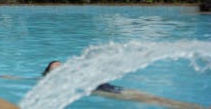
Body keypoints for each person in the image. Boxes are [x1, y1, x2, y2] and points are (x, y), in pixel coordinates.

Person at [43, 60, 202, 108]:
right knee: (153, 100)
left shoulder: (73, 75)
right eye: (57, 68)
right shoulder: (64, 82)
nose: (62, 68)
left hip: (114, 88)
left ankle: (193, 107)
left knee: (153, 98)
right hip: (109, 92)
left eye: (61, 65)